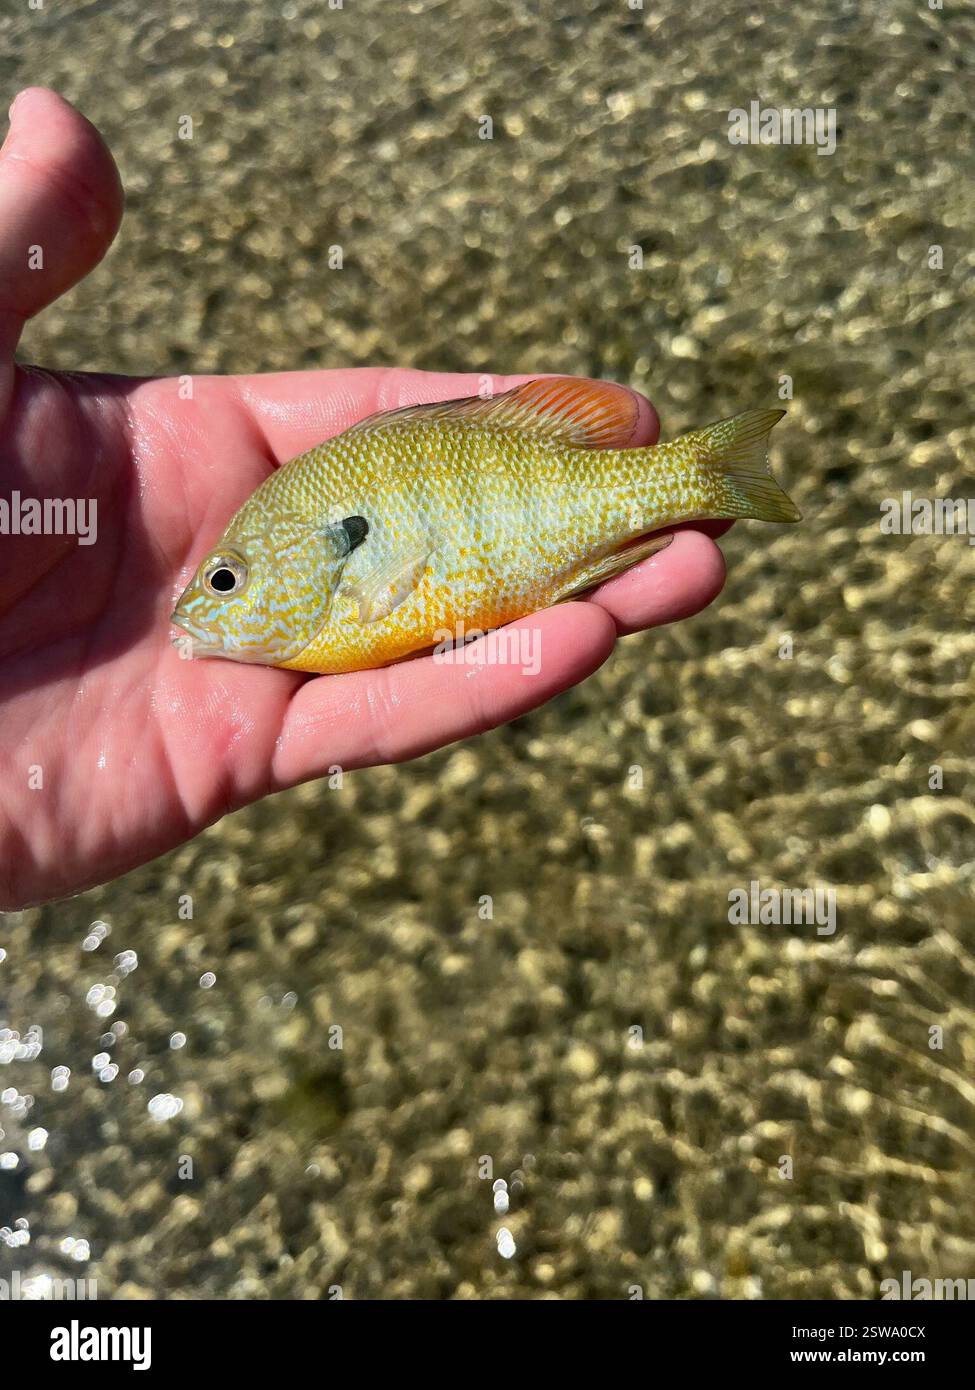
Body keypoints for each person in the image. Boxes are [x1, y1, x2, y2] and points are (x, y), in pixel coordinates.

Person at [0, 88, 729, 912]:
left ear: (306, 556)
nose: (203, 610)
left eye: (227, 581)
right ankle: (701, 474)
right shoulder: (316, 607)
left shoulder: (328, 607)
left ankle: (699, 471)